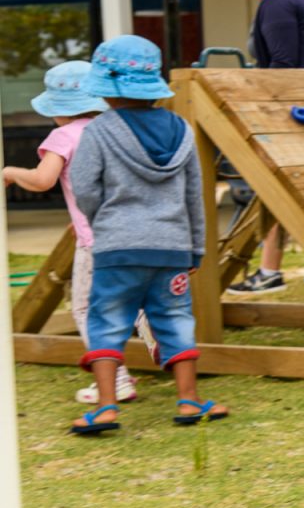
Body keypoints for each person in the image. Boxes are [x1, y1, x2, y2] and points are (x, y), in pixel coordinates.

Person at [67, 36, 227, 436]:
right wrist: (195, 248)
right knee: (174, 318)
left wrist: (103, 220)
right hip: (172, 247)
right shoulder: (182, 130)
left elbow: (84, 187)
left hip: (117, 247)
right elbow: (195, 195)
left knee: (107, 319)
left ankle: (106, 407)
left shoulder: (98, 131)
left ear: (106, 88)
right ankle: (189, 398)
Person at [2, 62, 155, 405]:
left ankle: (115, 379)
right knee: (128, 290)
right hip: (136, 230)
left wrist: (11, 171)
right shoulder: (117, 129)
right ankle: (150, 315)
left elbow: (43, 181)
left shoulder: (63, 136)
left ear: (60, 109)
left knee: (87, 309)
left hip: (98, 241)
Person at [218, 0, 304, 295]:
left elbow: (282, 65)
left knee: (276, 191)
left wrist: (259, 109)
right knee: (285, 193)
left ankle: (272, 271)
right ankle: (281, 268)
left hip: (294, 107)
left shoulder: (278, 1)